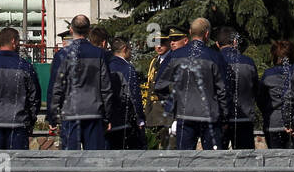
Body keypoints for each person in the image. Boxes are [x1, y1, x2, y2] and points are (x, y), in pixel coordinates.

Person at [154, 18, 226, 151]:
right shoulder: (215, 56)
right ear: (206, 34)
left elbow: (159, 85)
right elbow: (223, 91)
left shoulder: (175, 56)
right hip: (209, 115)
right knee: (215, 161)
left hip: (184, 114)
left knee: (184, 161)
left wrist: (173, 104)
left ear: (190, 32)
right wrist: (224, 115)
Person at [47, 15, 114, 150]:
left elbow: (56, 88)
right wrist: (107, 116)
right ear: (89, 31)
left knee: (70, 162)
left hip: (71, 113)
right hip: (94, 112)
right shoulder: (99, 53)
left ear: (71, 30)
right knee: (94, 161)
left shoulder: (62, 55)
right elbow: (106, 88)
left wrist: (53, 116)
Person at [216, 27, 258, 150]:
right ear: (235, 42)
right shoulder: (248, 62)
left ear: (217, 44)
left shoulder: (213, 61)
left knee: (217, 161)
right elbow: (256, 89)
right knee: (245, 160)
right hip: (244, 118)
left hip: (220, 120)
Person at [105, 36, 145, 150]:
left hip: (108, 120)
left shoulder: (106, 65)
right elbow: (134, 95)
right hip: (124, 119)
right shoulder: (127, 68)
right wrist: (140, 118)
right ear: (124, 49)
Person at [258, 40, 294, 149]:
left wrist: (267, 112)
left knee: (275, 160)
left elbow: (260, 99)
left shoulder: (268, 74)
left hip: (273, 122)